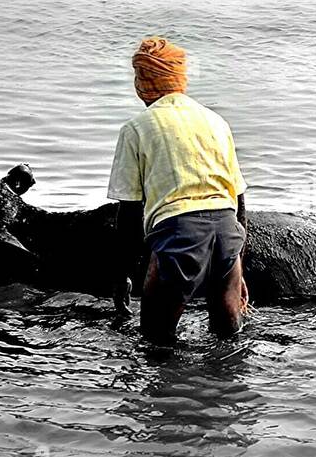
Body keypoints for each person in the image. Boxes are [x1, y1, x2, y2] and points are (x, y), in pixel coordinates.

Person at [106, 37, 249, 342]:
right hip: (227, 230)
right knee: (228, 340)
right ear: (179, 77)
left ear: (143, 81)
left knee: (155, 343)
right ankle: (228, 389)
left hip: (179, 233)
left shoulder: (136, 128)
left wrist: (122, 276)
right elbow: (239, 198)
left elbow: (129, 212)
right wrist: (239, 264)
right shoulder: (216, 121)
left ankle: (175, 391)